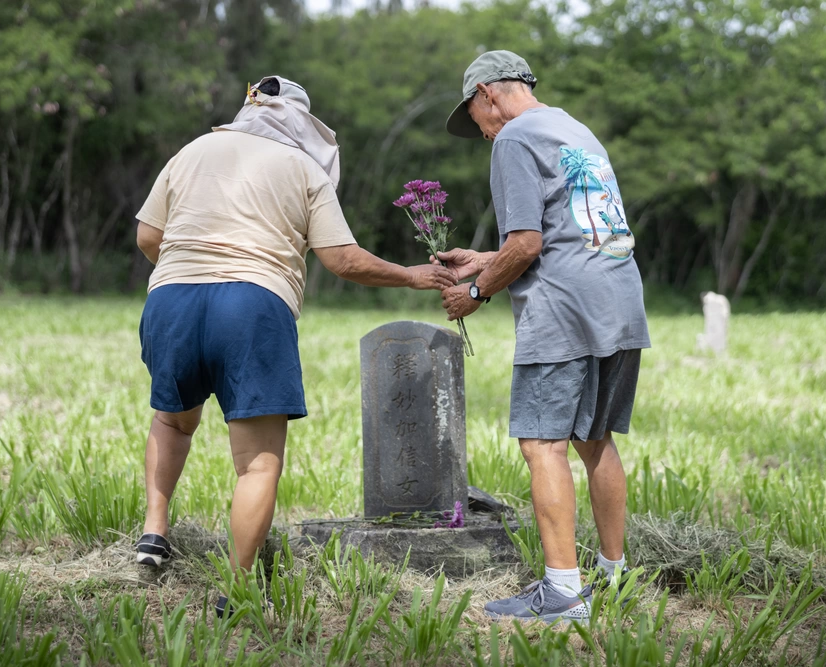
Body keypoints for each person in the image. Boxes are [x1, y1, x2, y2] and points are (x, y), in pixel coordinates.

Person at [132, 76, 455, 616]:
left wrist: (189, 271)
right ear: (301, 124)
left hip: (170, 301)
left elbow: (148, 236)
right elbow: (342, 259)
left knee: (172, 421)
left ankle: (154, 532)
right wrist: (410, 275)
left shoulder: (191, 150)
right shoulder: (303, 168)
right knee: (257, 465)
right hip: (252, 305)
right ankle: (235, 589)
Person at [437, 51, 650, 623]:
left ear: (487, 94)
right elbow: (568, 231)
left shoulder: (513, 139)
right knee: (596, 438)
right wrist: (485, 257)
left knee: (541, 444)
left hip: (564, 310)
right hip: (618, 297)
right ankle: (613, 575)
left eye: (477, 121)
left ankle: (561, 594)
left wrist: (476, 290)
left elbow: (528, 245)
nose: (483, 135)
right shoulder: (575, 130)